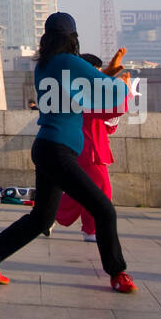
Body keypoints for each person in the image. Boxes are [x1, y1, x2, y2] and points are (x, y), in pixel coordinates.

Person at [0, 12, 137, 294]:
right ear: (72, 38)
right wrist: (122, 83)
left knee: (42, 218)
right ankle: (118, 273)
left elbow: (81, 87)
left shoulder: (45, 65)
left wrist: (105, 73)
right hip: (58, 149)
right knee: (104, 209)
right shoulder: (70, 62)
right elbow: (108, 93)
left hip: (47, 145)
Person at [54, 51, 126, 243]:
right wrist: (124, 91)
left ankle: (50, 213)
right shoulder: (78, 93)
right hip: (87, 150)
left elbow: (108, 123)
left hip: (92, 147)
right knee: (101, 191)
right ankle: (91, 229)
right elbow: (108, 111)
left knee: (80, 193)